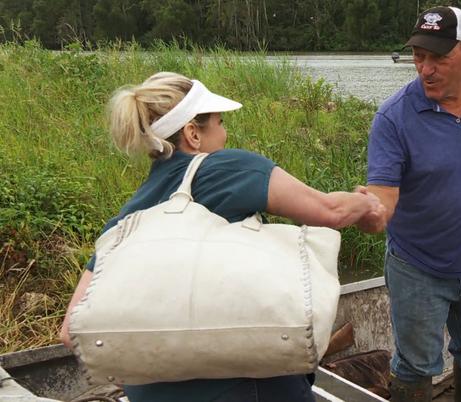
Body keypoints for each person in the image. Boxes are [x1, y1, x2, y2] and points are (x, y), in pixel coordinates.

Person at [59, 72, 384, 402]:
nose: (225, 133)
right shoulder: (226, 169)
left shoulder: (126, 221)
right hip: (253, 390)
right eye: (219, 122)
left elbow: (71, 331)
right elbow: (330, 210)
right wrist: (367, 203)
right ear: (192, 133)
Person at [356, 6, 461, 402]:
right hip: (418, 268)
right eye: (419, 56)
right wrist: (366, 212)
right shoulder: (393, 117)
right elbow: (384, 200)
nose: (425, 69)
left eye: (439, 58)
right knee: (415, 365)